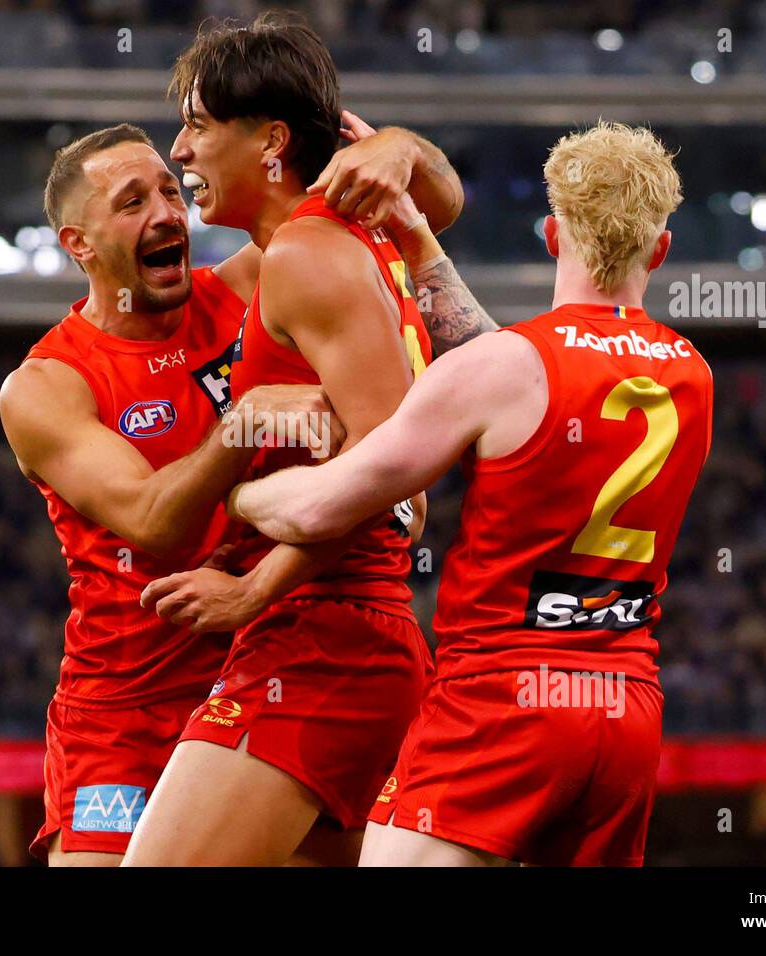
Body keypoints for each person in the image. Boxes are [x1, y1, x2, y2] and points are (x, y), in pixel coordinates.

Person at [229, 121, 713, 867]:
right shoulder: (691, 375)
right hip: (624, 711)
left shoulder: (508, 368)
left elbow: (319, 507)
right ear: (661, 250)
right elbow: (542, 375)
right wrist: (421, 241)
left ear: (552, 236)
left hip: (501, 703)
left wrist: (240, 495)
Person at [0, 116, 462, 866]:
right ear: (78, 245)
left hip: (274, 664)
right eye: (130, 203)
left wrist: (405, 148)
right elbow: (155, 522)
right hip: (129, 706)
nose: (166, 212)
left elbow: (421, 209)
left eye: (165, 190)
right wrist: (240, 427)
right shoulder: (45, 387)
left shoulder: (248, 283)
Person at [122, 12, 463, 866]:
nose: (182, 150)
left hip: (323, 639)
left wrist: (252, 589)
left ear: (271, 139)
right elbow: (445, 197)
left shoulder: (306, 255)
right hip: (350, 634)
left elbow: (393, 478)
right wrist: (399, 147)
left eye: (198, 124)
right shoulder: (347, 236)